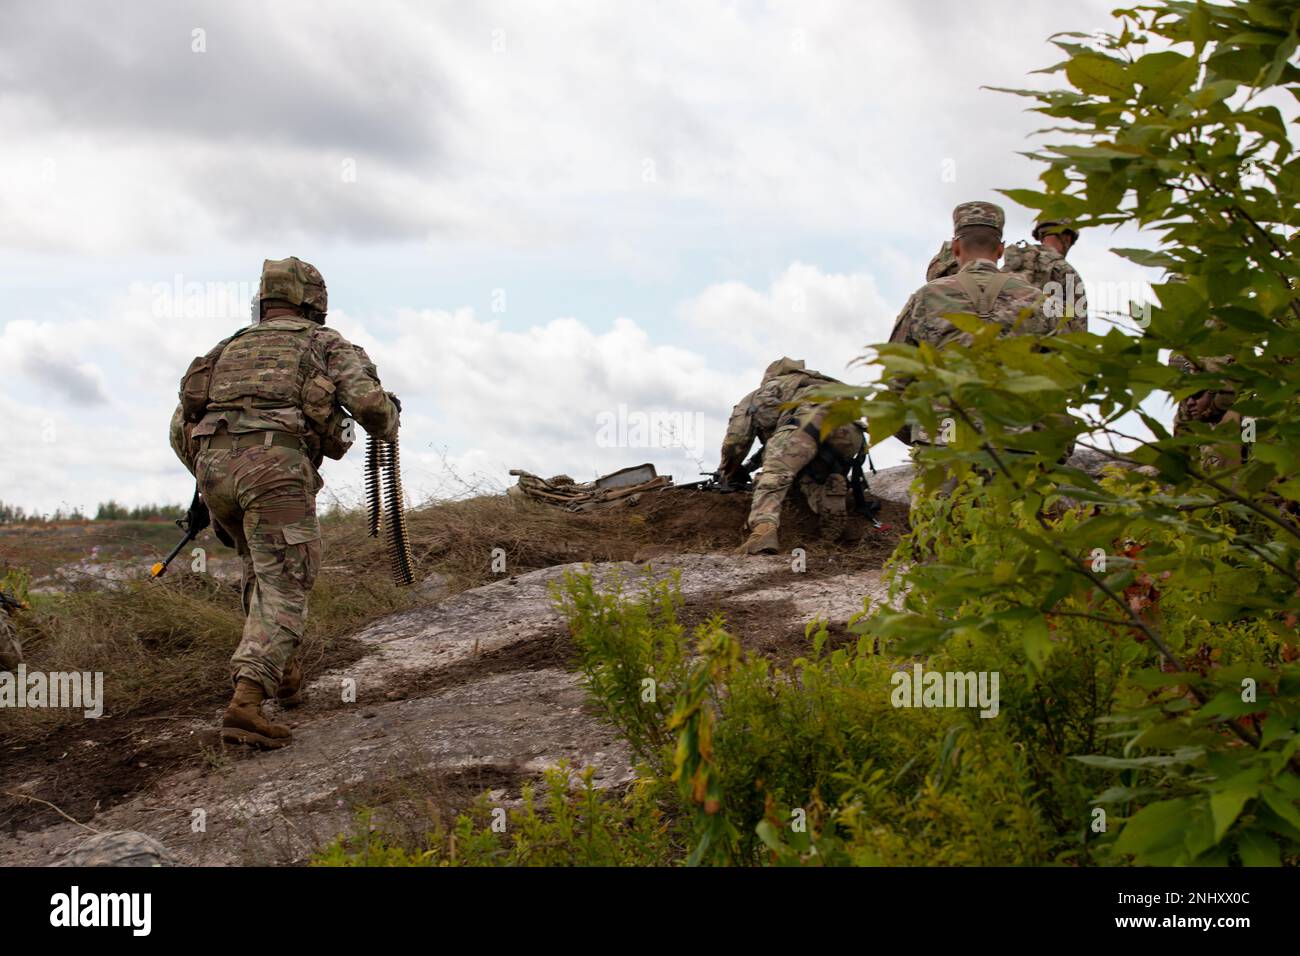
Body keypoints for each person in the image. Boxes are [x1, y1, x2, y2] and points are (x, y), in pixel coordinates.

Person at [169, 256, 401, 749]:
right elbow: (372, 411)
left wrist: (209, 473)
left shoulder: (226, 348)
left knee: (260, 568)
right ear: (313, 301)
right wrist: (391, 416)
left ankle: (287, 674)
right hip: (275, 470)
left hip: (215, 473)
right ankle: (247, 702)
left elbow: (177, 426)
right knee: (286, 584)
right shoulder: (325, 343)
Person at [888, 202, 1053, 502]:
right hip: (1013, 442)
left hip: (944, 438)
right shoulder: (1036, 299)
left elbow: (897, 381)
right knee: (1008, 541)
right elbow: (1055, 378)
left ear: (955, 247)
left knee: (936, 538)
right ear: (1001, 250)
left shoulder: (926, 297)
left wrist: (922, 434)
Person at [721, 358, 867, 555]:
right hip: (851, 433)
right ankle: (825, 496)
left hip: (809, 421)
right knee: (809, 475)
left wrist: (728, 472)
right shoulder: (821, 383)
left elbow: (736, 440)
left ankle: (763, 531)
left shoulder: (766, 390)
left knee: (776, 473)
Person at [1002, 218, 1087, 333]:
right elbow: (1078, 330)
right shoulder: (1066, 271)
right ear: (1067, 238)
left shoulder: (1013, 264)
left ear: (1041, 235)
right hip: (1044, 346)